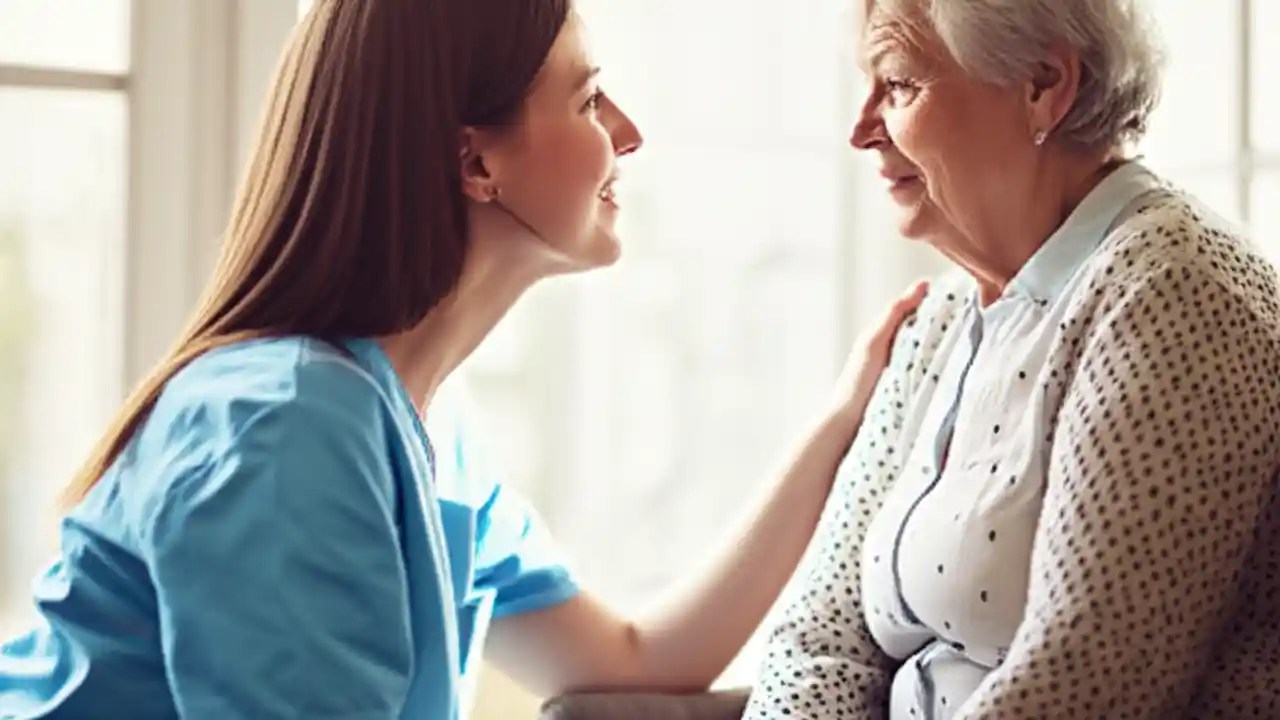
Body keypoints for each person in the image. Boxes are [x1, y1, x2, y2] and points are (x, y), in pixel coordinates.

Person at [0, 1, 926, 718]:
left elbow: (639, 660)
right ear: (475, 164)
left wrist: (845, 419)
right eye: (586, 96)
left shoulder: (419, 427)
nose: (628, 132)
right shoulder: (288, 427)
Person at [744, 1, 1280, 718]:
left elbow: (1084, 689)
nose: (862, 129)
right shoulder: (939, 317)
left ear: (1043, 83)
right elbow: (818, 640)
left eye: (899, 86)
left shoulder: (1175, 295)